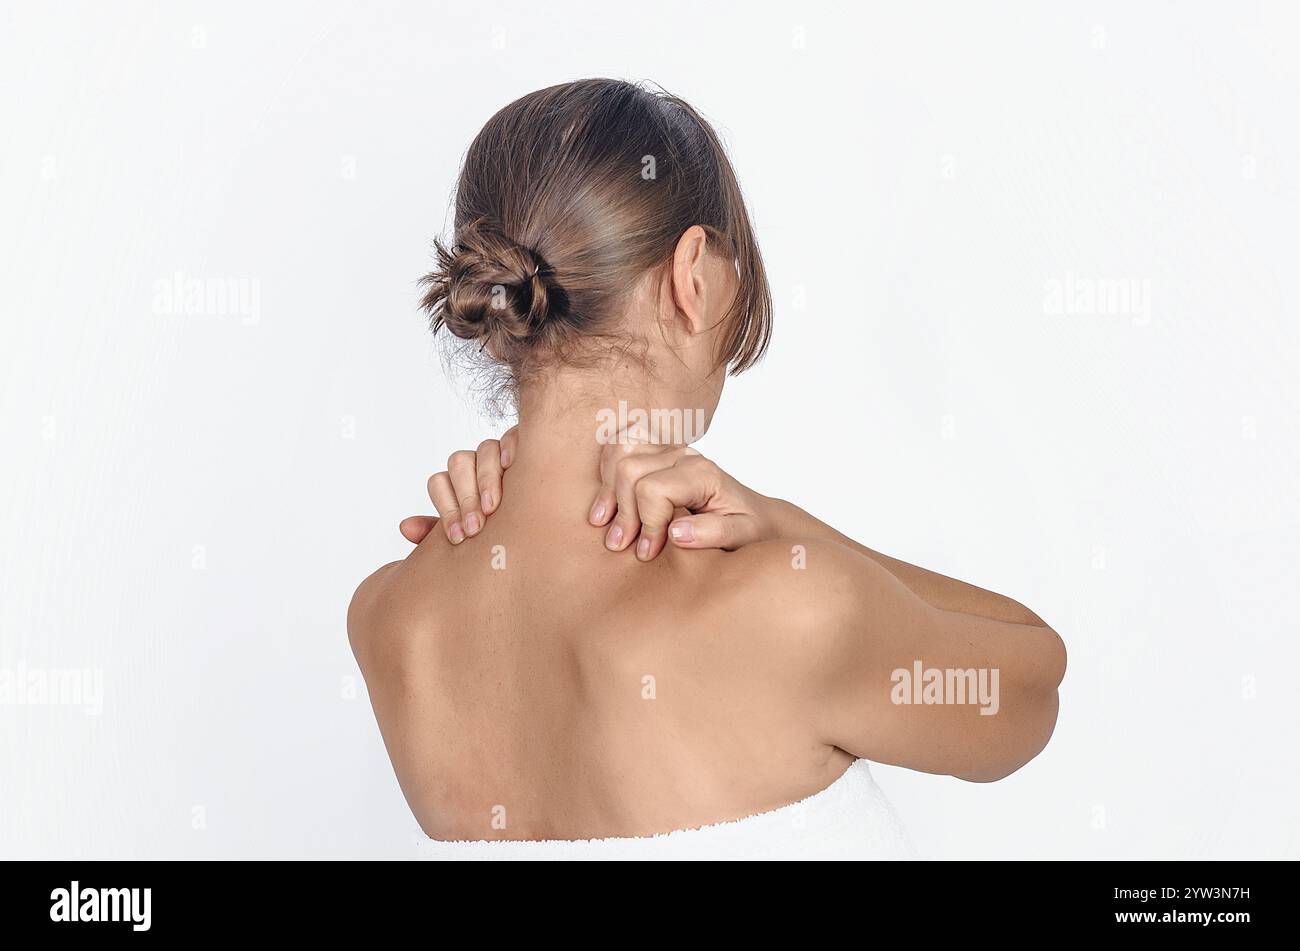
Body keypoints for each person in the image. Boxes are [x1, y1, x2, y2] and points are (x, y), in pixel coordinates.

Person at [348, 79, 1065, 856]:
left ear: (494, 314)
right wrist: (781, 524)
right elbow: (1033, 675)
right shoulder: (789, 607)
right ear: (692, 274)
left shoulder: (393, 619)